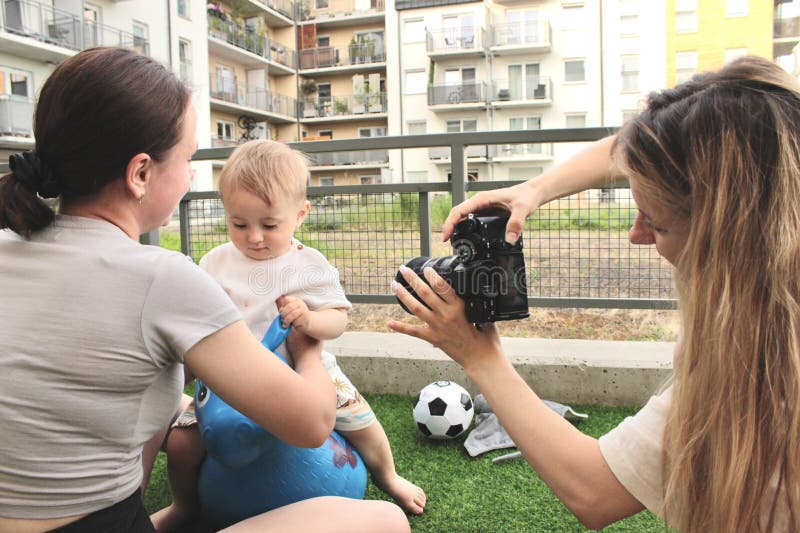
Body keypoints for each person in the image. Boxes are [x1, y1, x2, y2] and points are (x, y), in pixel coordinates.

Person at [0, 47, 409, 533]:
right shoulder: (164, 277)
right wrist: (306, 346)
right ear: (141, 174)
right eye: (189, 157)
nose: (192, 174)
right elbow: (312, 423)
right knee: (384, 521)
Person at [389, 55, 800, 532]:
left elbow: (595, 490)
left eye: (658, 221)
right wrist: (535, 188)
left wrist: (478, 356)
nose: (636, 235)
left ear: (731, 230)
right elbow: (637, 149)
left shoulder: (757, 363)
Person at [153, 140, 425, 531]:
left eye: (269, 225)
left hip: (305, 371)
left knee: (361, 422)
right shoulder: (215, 262)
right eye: (239, 224)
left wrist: (311, 323)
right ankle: (184, 506)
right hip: (230, 378)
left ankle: (389, 475)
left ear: (300, 214)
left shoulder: (307, 265)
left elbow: (337, 318)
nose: (254, 237)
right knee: (180, 445)